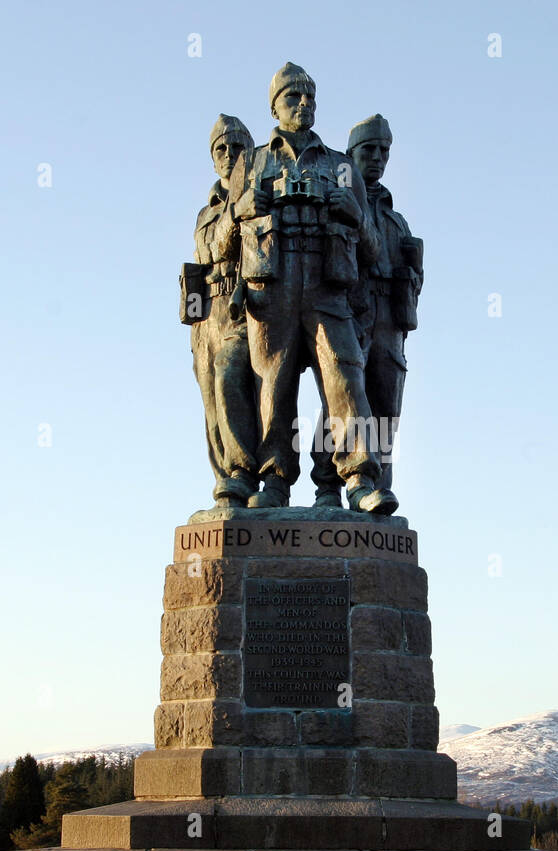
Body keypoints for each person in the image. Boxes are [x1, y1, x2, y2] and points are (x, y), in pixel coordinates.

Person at [228, 63, 397, 514]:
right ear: (274, 106)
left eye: (310, 99)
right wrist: (244, 205)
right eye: (292, 98)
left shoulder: (342, 166)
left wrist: (357, 216)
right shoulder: (253, 161)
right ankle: (274, 480)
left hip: (327, 285)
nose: (303, 105)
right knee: (273, 387)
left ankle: (357, 478)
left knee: (345, 378)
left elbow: (376, 251)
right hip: (272, 285)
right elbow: (222, 240)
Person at [310, 114, 422, 503]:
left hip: (390, 319)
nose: (377, 158)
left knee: (386, 411)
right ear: (351, 155)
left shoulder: (397, 220)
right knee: (340, 397)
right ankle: (326, 483)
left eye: (384, 151)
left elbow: (416, 277)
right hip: (350, 309)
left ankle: (379, 489)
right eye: (368, 150)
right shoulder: (335, 201)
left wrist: (411, 280)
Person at [181, 114, 260, 508]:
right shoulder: (206, 211)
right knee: (211, 404)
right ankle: (226, 484)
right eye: (221, 149)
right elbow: (209, 250)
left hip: (242, 306)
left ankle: (243, 473)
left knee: (232, 377)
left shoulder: (259, 197)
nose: (229, 155)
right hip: (205, 312)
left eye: (236, 147)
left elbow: (234, 250)